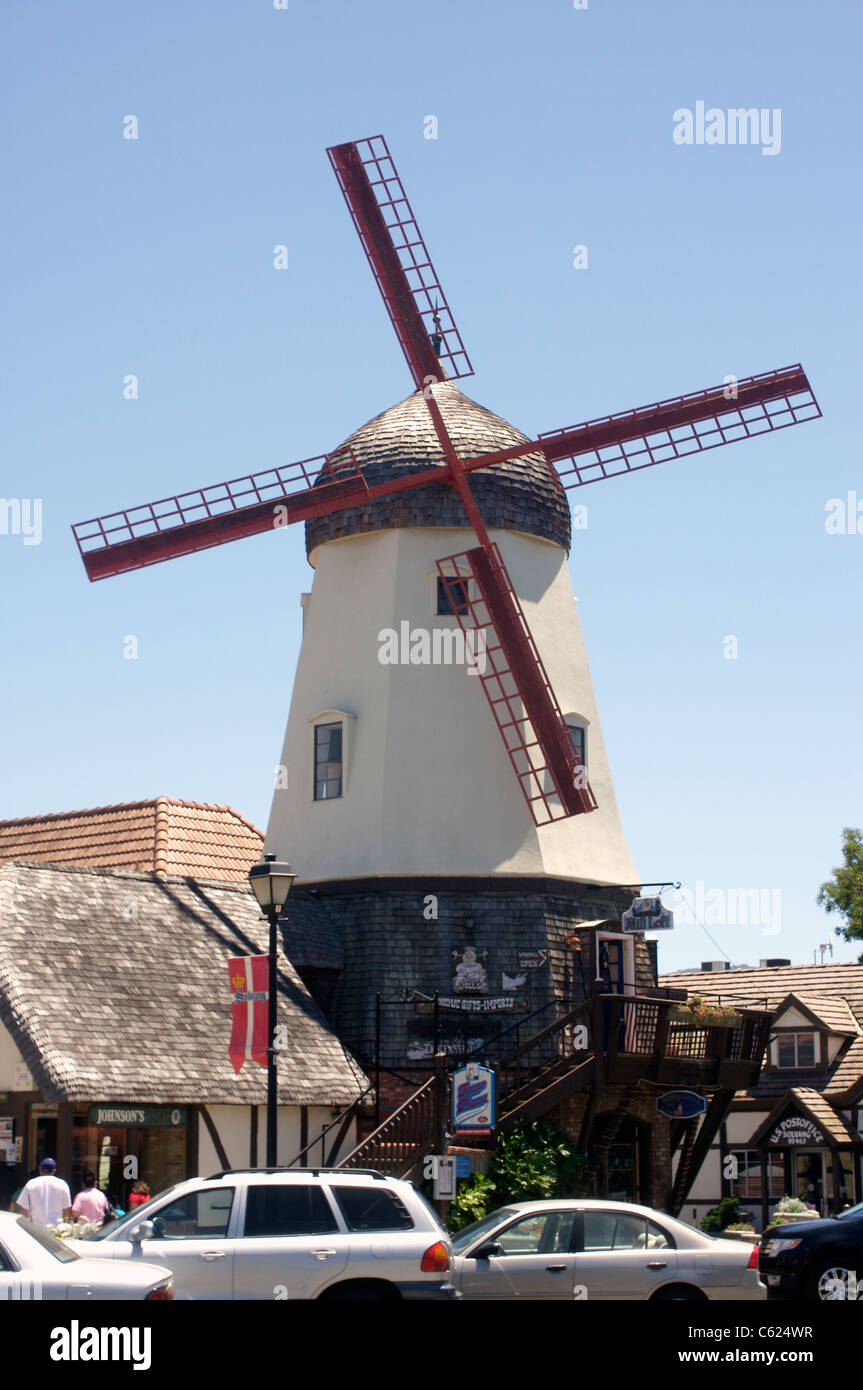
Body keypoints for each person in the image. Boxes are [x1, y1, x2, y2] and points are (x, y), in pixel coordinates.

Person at [15, 1158, 72, 1227]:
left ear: (40, 1169)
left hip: (36, 1230)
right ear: (54, 1171)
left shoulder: (31, 1184)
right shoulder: (63, 1184)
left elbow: (23, 1209)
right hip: (57, 1231)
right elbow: (67, 1210)